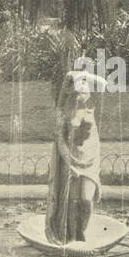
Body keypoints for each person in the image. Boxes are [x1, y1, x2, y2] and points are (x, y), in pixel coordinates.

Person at [46, 67, 107, 243]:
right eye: (79, 86)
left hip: (90, 160)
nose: (83, 90)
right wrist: (68, 163)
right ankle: (73, 236)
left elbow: (104, 84)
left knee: (86, 200)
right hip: (70, 160)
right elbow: (59, 140)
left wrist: (86, 75)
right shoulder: (64, 112)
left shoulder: (91, 109)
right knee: (72, 202)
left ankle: (82, 231)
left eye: (85, 86)